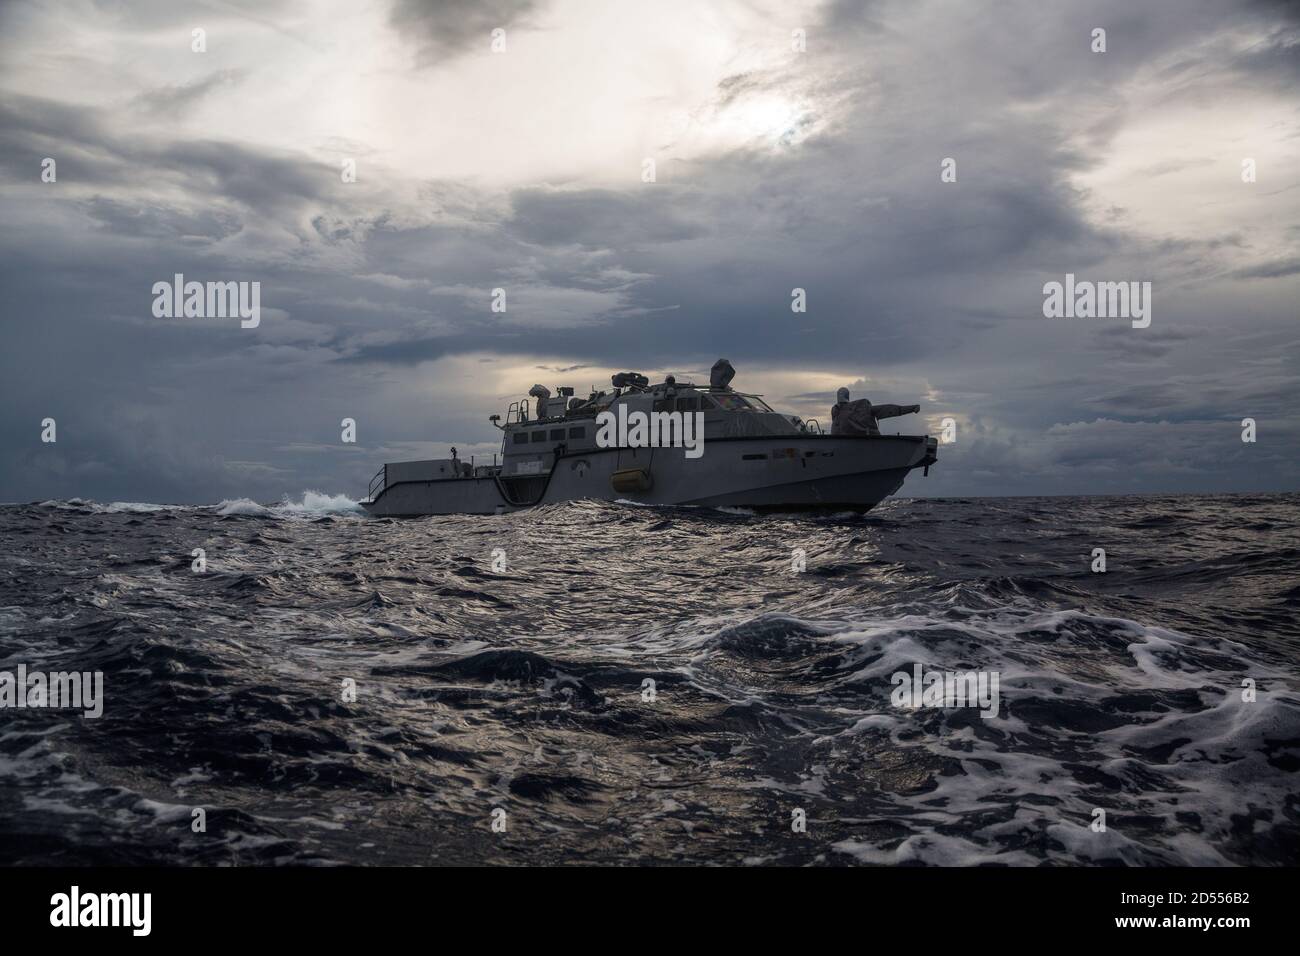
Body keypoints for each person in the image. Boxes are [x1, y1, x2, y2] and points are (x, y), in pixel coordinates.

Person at [831, 387, 920, 436]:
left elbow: (889, 409)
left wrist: (912, 408)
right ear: (848, 397)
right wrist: (912, 408)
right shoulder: (865, 408)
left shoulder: (835, 411)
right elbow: (890, 409)